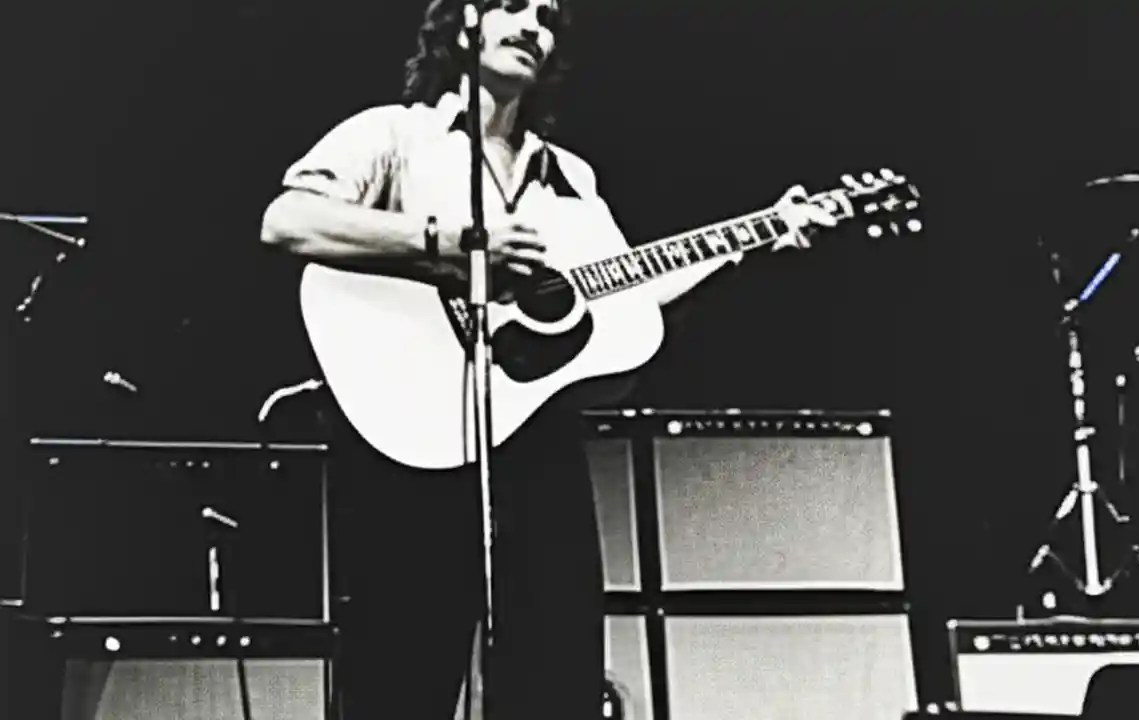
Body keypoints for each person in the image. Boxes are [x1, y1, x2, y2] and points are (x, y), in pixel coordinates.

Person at [259, 1, 837, 718]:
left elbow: (627, 290)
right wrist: (453, 244)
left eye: (548, 16)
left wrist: (758, 236)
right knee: (399, 678)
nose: (534, 24)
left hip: (536, 445)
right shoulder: (394, 133)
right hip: (408, 438)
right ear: (459, 24)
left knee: (556, 676)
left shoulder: (570, 176)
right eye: (512, 5)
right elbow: (288, 220)